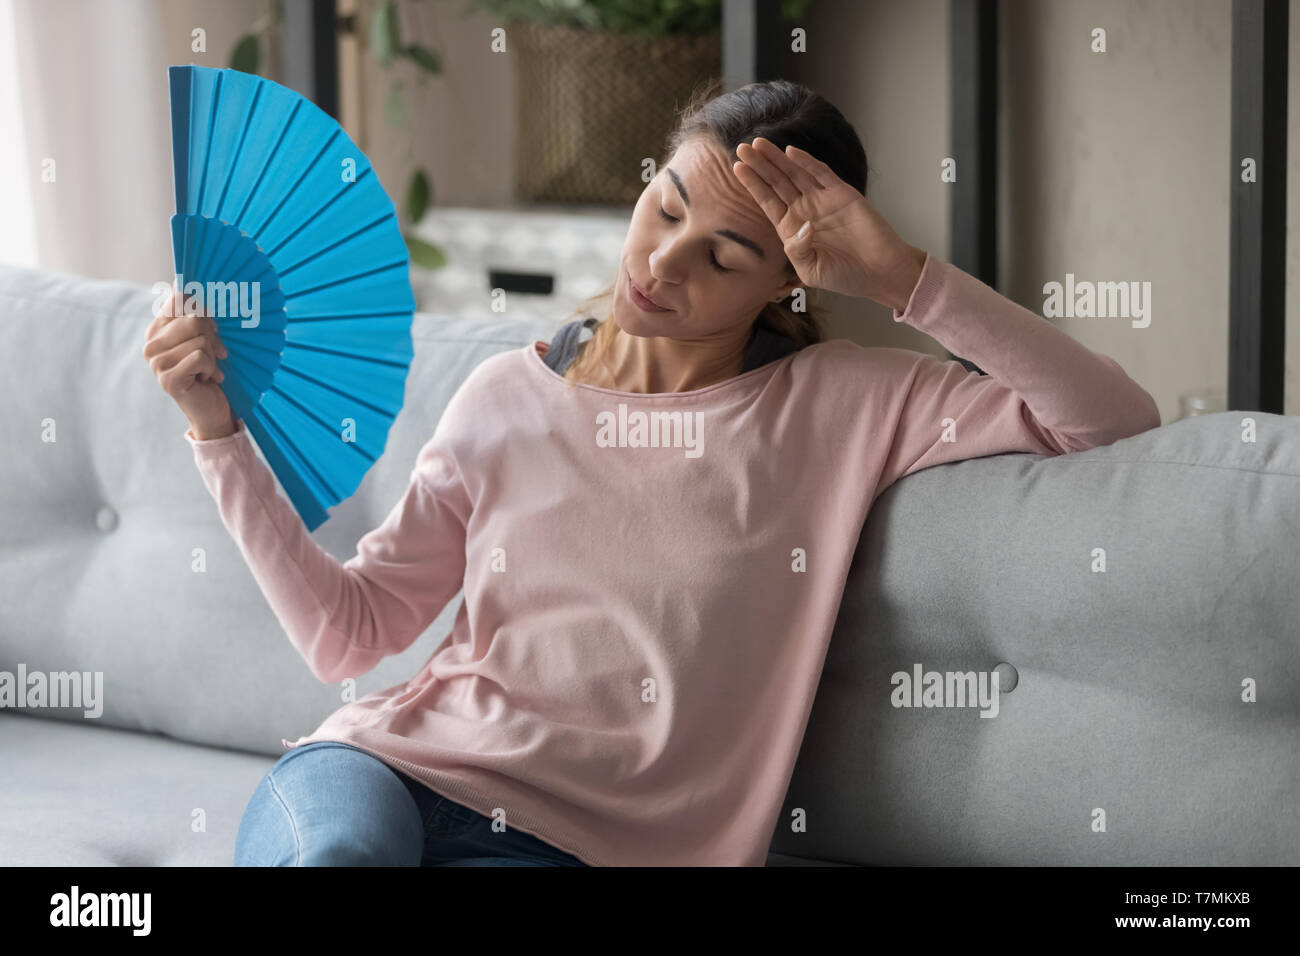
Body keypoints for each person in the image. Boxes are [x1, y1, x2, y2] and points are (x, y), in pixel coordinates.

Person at [142, 79, 1161, 867]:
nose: (664, 263)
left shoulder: (844, 404)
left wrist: (902, 278)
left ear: (785, 283)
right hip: (384, 771)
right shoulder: (507, 392)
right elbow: (345, 632)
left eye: (723, 257)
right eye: (664, 205)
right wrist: (217, 430)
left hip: (578, 844)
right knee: (340, 856)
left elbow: (1108, 417)